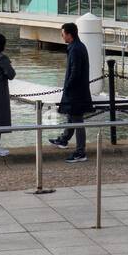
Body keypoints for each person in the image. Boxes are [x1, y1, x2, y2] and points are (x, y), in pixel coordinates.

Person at [49, 21, 92, 163]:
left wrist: (67, 86)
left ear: (69, 35)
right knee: (71, 117)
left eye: (63, 34)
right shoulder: (78, 46)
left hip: (76, 92)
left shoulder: (75, 49)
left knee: (77, 121)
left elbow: (75, 71)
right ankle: (64, 139)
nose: (62, 37)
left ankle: (80, 152)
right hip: (78, 90)